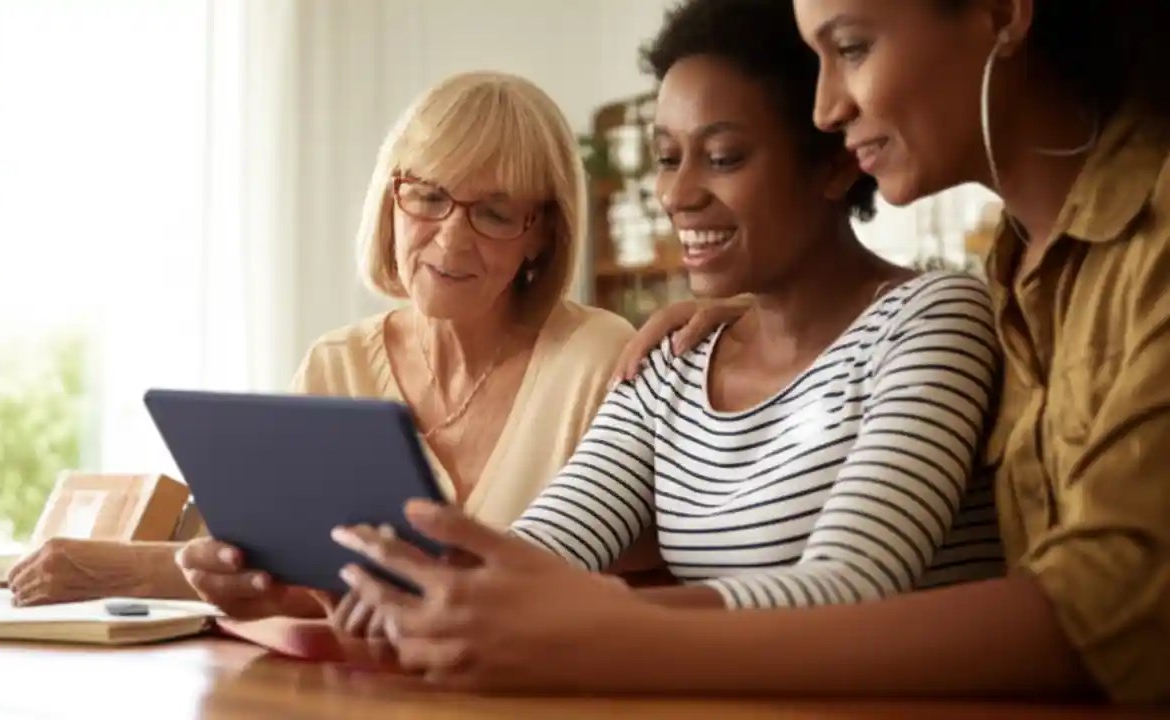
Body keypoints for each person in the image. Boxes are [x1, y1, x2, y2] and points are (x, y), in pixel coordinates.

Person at [328, 0, 1170, 703]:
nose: (676, 192)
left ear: (834, 167)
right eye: (665, 159)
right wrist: (380, 588)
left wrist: (593, 624)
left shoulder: (941, 313)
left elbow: (866, 594)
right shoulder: (677, 358)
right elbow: (534, 546)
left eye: (724, 156)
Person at [8, 71, 639, 610]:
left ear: (542, 236)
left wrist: (133, 570)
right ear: (392, 198)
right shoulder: (335, 367)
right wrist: (238, 583)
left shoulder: (597, 359)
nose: (450, 240)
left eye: (495, 214)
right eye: (427, 196)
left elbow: (624, 586)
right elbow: (302, 587)